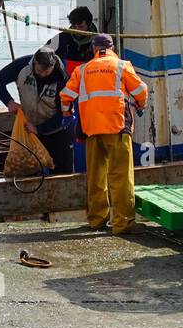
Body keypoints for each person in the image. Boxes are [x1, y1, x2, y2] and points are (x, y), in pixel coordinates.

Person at [60, 33, 148, 234]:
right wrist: (141, 104)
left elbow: (66, 96)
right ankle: (122, 224)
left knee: (96, 177)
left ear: (93, 48)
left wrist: (68, 111)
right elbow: (141, 91)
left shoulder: (83, 70)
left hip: (92, 130)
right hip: (117, 128)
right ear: (112, 47)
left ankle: (97, 220)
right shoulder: (122, 66)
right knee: (121, 177)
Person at [0, 46, 73, 175]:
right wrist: (9, 102)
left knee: (62, 173)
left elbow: (65, 116)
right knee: (29, 169)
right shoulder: (22, 66)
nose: (43, 74)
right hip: (29, 130)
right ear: (35, 63)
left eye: (47, 71)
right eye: (40, 70)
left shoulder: (63, 79)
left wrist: (39, 129)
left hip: (57, 131)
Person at [57, 7, 96, 76]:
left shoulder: (97, 41)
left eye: (81, 27)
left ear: (89, 25)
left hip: (88, 78)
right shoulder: (62, 37)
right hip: (66, 79)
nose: (77, 30)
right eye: (74, 26)